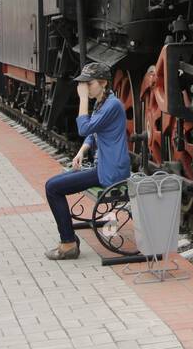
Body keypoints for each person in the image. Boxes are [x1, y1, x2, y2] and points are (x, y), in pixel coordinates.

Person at [43, 62, 129, 261]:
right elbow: (94, 132)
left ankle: (68, 244)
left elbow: (84, 129)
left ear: (103, 83)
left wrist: (82, 99)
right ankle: (68, 240)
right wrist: (82, 150)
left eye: (88, 84)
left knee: (53, 188)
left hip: (110, 171)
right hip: (104, 167)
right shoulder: (104, 103)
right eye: (83, 85)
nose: (85, 88)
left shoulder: (112, 105)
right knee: (55, 184)